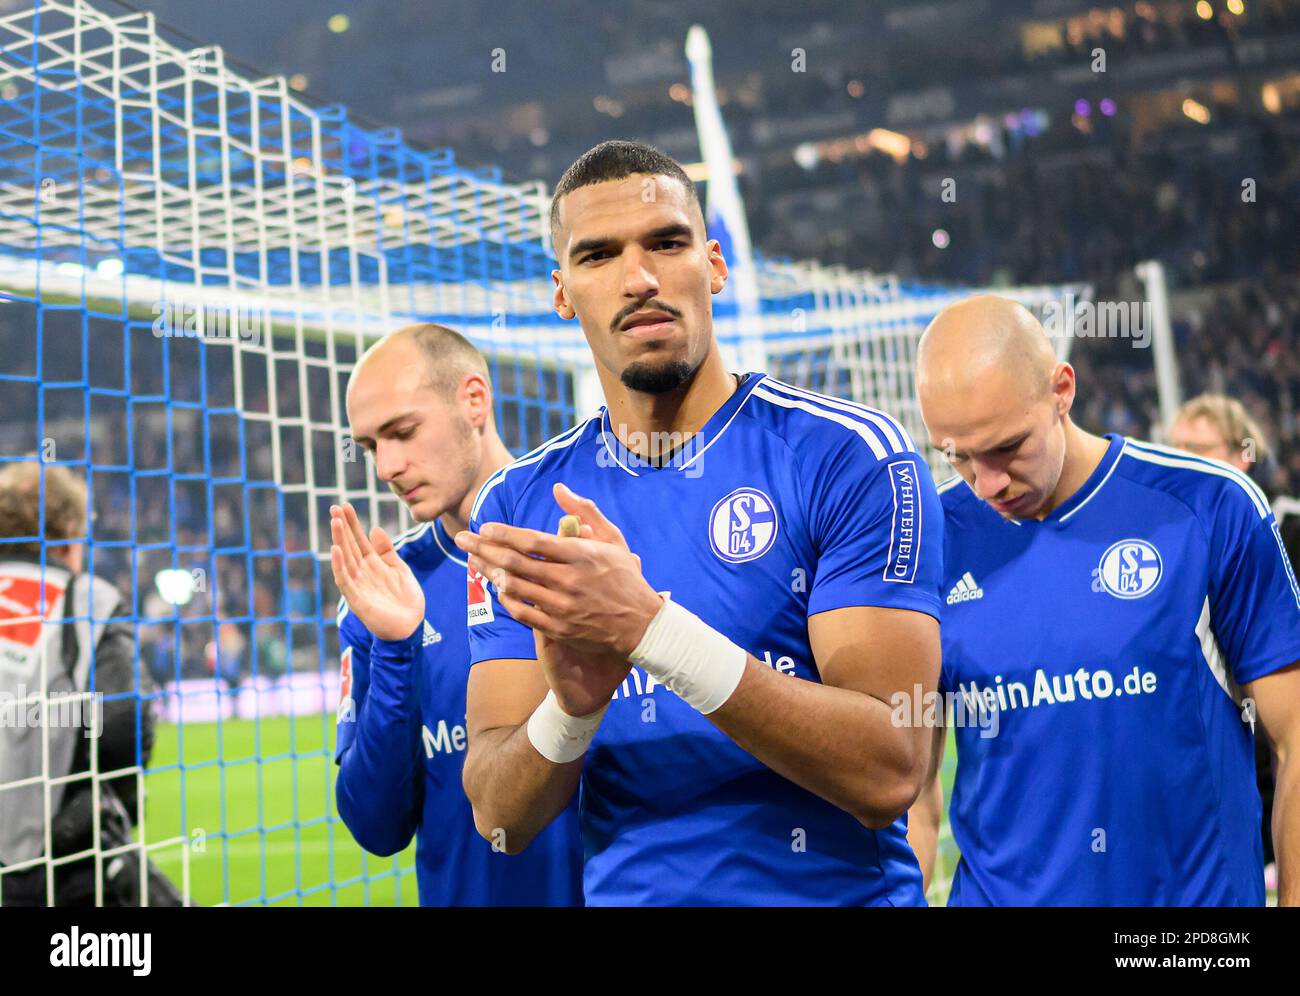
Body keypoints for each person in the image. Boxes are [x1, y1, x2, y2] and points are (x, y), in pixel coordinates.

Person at [450, 140, 944, 906]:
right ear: (562, 292)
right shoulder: (519, 507)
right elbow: (498, 813)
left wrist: (650, 631)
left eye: (666, 243)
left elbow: (889, 771)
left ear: (713, 264)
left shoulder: (846, 456)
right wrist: (573, 711)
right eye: (598, 256)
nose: (639, 278)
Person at [908, 296, 1300, 906]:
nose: (986, 484)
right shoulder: (924, 536)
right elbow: (911, 782)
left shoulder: (1207, 508)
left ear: (1062, 389)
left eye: (1006, 447)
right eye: (955, 456)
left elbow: (1294, 735)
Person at [329, 323, 582, 906]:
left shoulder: (586, 545)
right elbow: (376, 826)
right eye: (370, 446)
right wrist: (395, 648)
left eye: (403, 432)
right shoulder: (385, 592)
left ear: (474, 399)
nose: (386, 467)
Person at [0, 462, 180, 906]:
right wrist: (115, 797)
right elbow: (122, 720)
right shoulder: (85, 598)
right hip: (58, 863)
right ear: (67, 531)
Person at [1169, 392, 1299, 891]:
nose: (1182, 459)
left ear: (1242, 453)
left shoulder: (1286, 525)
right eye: (1175, 446)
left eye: (1199, 448)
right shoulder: (1173, 549)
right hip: (1220, 783)